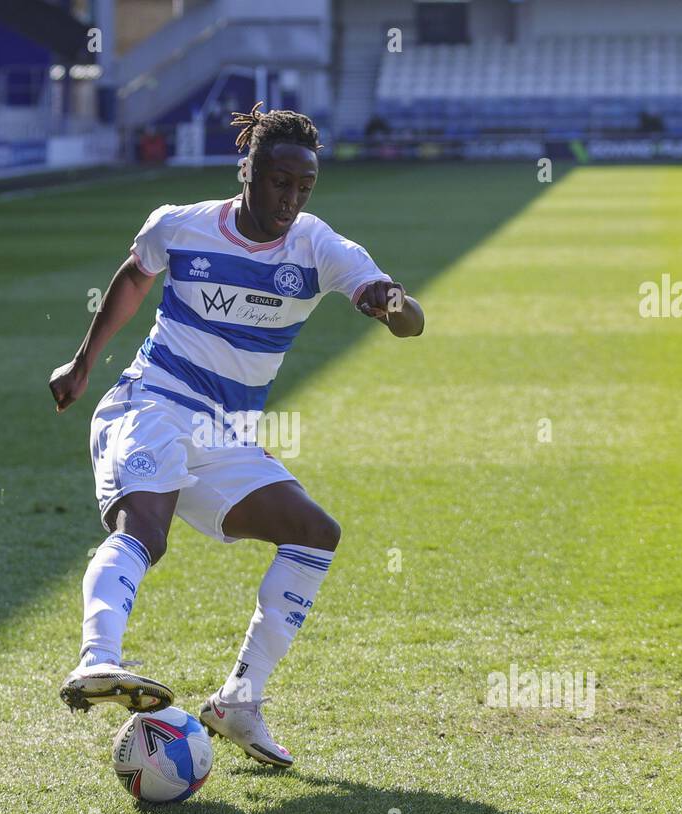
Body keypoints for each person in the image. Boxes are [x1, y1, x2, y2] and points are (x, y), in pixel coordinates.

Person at [49, 103, 425, 768]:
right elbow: (135, 277)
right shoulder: (181, 226)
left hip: (224, 434)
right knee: (146, 531)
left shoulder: (318, 247)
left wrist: (390, 303)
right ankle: (98, 661)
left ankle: (237, 702)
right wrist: (83, 365)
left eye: (304, 187)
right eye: (280, 181)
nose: (291, 199)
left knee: (315, 533)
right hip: (155, 402)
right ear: (246, 170)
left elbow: (409, 318)